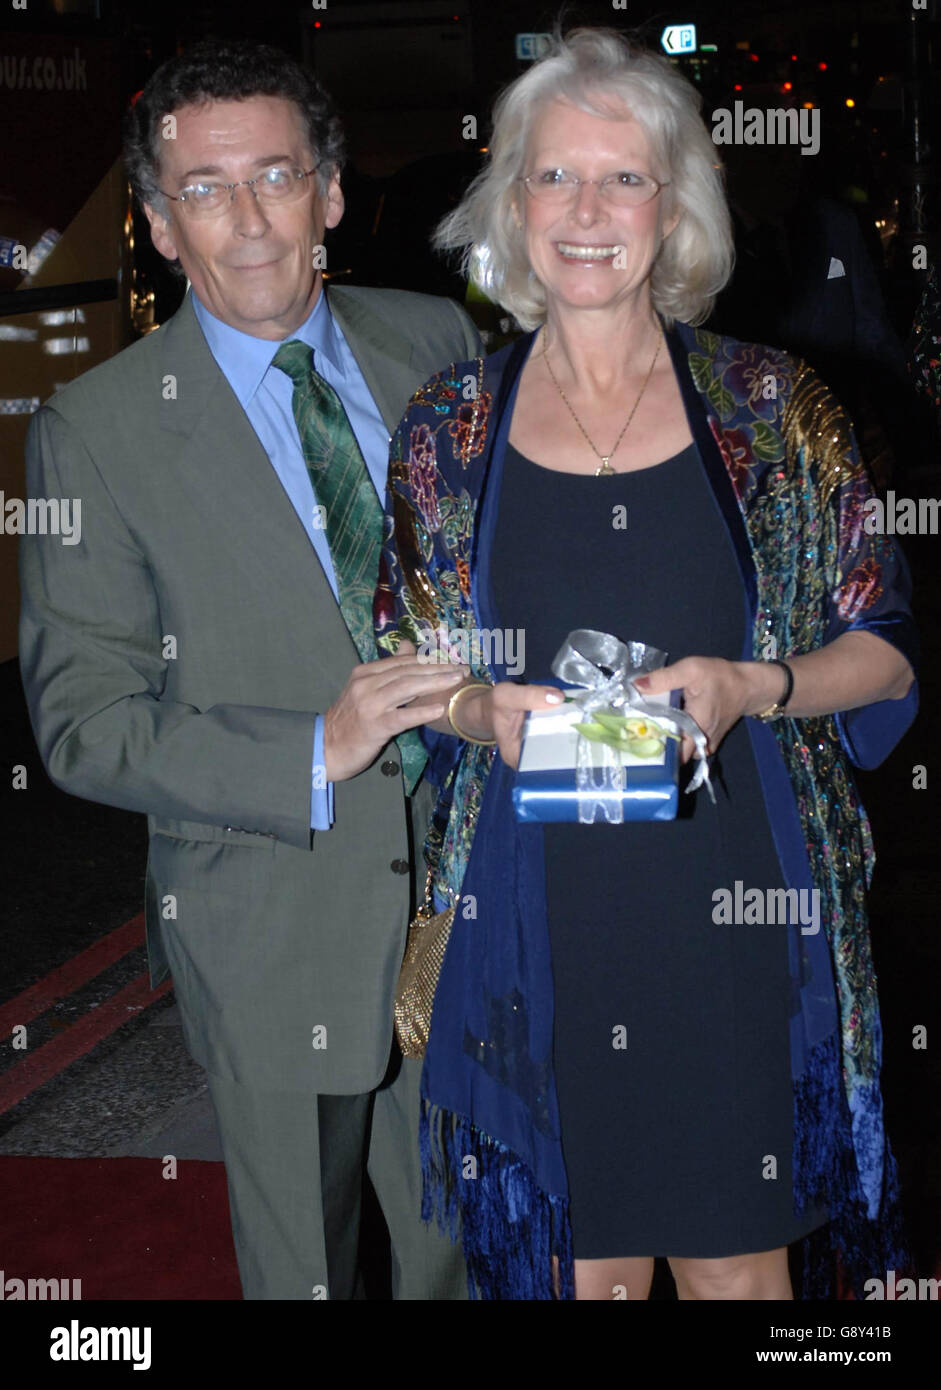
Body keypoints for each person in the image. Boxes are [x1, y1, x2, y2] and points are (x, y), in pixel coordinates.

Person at [374, 29, 919, 1301]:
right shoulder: (448, 432)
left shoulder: (774, 408)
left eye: (623, 179)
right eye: (553, 177)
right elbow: (400, 667)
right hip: (535, 923)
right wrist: (468, 705)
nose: (585, 212)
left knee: (743, 1278)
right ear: (511, 204)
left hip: (732, 920)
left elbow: (883, 661)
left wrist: (752, 685)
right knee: (587, 1283)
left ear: (672, 207)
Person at [18, 38, 480, 1300]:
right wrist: (311, 749)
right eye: (206, 190)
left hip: (472, 895)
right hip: (270, 921)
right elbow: (84, 724)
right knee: (304, 1272)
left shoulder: (435, 341)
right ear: (163, 225)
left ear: (330, 190)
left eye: (276, 175)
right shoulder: (96, 432)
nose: (251, 219)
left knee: (458, 1250)